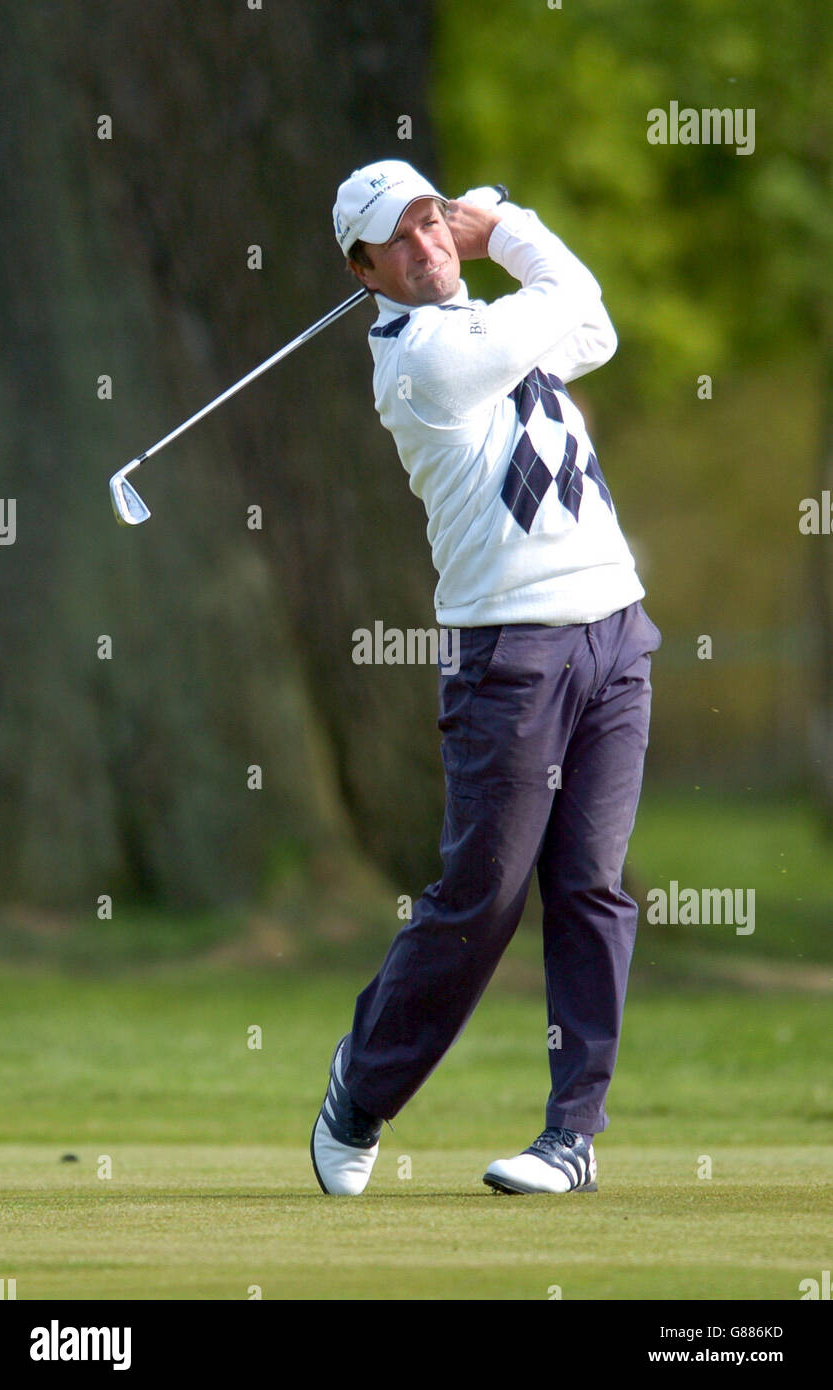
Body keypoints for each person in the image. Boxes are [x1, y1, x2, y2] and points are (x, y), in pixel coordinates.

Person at [312, 159, 661, 1196]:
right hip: (508, 658)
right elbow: (563, 300)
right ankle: (361, 1091)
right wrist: (501, 221)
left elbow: (591, 321)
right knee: (481, 898)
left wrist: (500, 233)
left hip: (614, 633)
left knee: (592, 888)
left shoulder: (494, 330)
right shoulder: (419, 361)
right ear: (363, 268)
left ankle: (571, 1135)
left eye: (432, 221)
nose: (426, 244)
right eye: (402, 237)